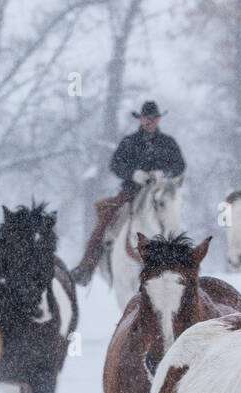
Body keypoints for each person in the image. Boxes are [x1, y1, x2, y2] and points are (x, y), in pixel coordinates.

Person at [70, 101, 186, 285]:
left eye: (154, 118)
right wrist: (133, 174)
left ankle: (187, 266)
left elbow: (179, 166)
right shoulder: (129, 142)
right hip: (131, 191)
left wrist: (162, 173)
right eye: (147, 118)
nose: (150, 122)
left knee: (174, 219)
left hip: (160, 191)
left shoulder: (168, 143)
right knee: (106, 218)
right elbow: (115, 165)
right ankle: (86, 266)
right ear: (140, 119)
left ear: (158, 120)